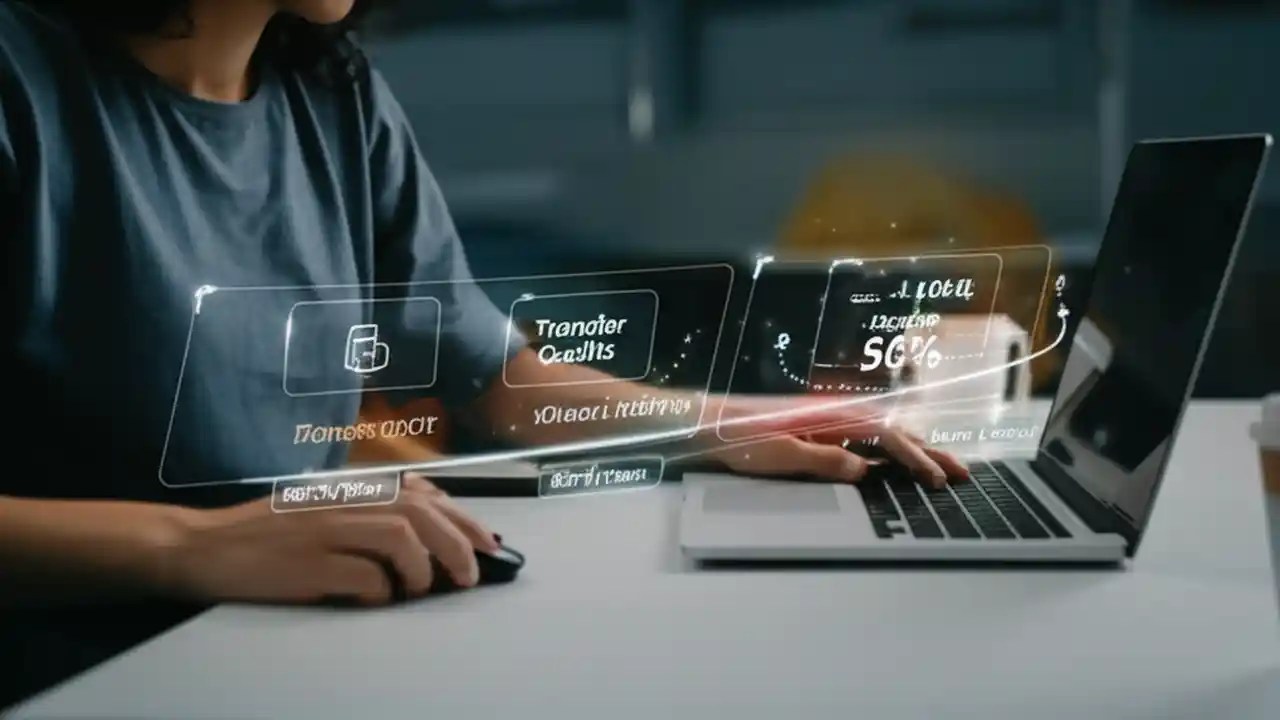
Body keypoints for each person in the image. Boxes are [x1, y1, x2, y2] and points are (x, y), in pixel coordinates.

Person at [0, 0, 968, 668]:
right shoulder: (21, 84)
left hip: (291, 649)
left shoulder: (329, 94)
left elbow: (498, 377)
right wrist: (192, 546)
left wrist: (737, 425)